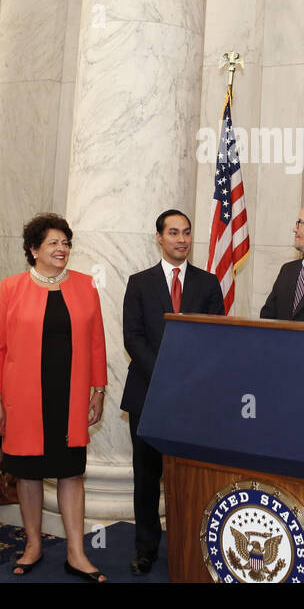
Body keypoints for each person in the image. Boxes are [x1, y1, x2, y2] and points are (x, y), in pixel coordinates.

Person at [0, 213, 107, 580]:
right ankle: (33, 543)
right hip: (24, 398)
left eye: (66, 242)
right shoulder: (11, 287)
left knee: (72, 472)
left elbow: (96, 342)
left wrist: (98, 389)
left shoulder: (86, 286)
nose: (62, 248)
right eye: (53, 242)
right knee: (29, 474)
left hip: (69, 396)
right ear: (33, 249)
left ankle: (76, 552)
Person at [121, 209, 224, 574]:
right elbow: (132, 337)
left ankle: (190, 544)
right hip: (148, 393)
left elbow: (215, 338)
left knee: (187, 477)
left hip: (194, 397)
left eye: (186, 233)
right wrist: (165, 373)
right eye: (174, 233)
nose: (181, 239)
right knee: (146, 476)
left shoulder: (209, 283)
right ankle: (145, 548)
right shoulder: (139, 282)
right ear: (159, 238)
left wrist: (187, 376)